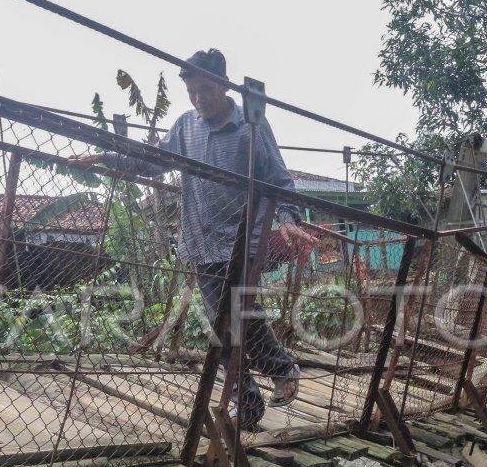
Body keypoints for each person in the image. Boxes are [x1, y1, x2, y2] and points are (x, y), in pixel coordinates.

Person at [72, 48, 312, 431]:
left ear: (224, 86)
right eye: (192, 91)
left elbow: (278, 179)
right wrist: (107, 157)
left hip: (241, 241)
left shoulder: (251, 125)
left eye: (206, 90)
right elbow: (151, 161)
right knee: (226, 325)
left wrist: (287, 218)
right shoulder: (185, 127)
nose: (199, 98)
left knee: (235, 315)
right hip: (201, 242)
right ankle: (253, 399)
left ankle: (274, 375)